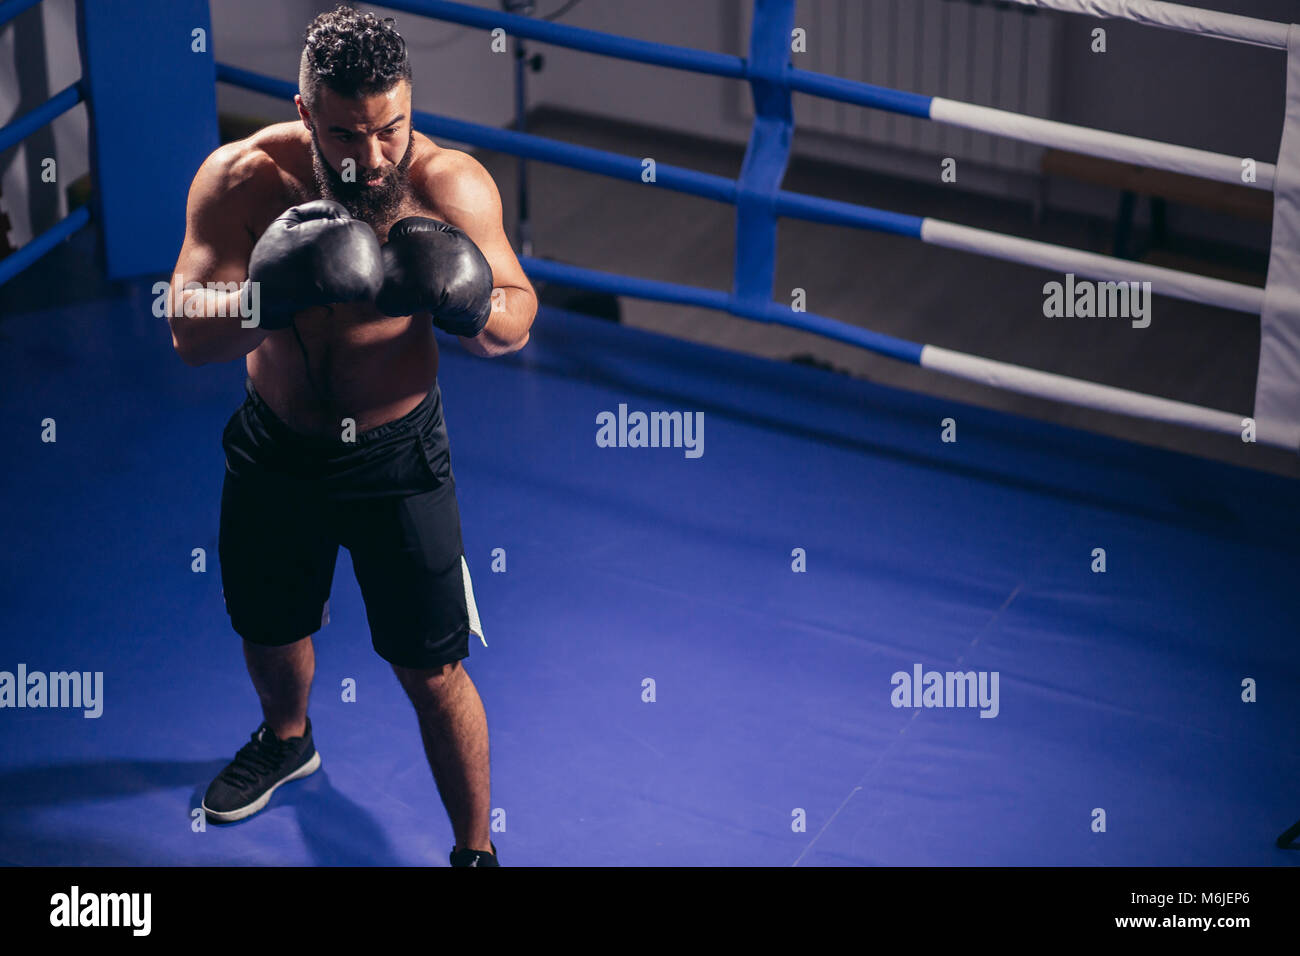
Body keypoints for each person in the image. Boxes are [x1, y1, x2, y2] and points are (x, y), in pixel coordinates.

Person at [165, 4, 535, 867]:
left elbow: (516, 320)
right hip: (277, 444)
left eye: (389, 129)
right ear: (304, 112)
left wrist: (465, 298)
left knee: (432, 668)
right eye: (344, 133)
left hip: (396, 455)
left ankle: (475, 852)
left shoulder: (449, 184)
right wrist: (265, 301)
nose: (370, 158)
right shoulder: (243, 179)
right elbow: (185, 327)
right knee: (267, 620)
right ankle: (288, 739)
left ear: (409, 110)